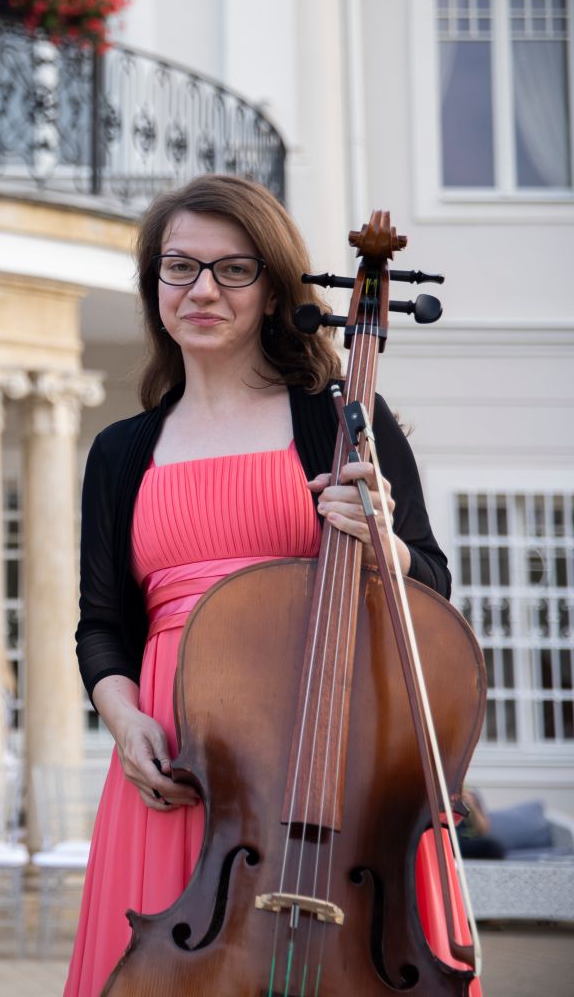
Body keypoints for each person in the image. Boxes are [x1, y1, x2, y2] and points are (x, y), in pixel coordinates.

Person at [65, 174, 477, 995]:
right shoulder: (121, 449)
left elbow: (431, 583)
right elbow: (101, 622)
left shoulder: (339, 416)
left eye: (234, 270)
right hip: (182, 761)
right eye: (179, 267)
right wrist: (123, 719)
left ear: (275, 289)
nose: (203, 290)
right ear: (154, 288)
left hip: (330, 758)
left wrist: (385, 545)